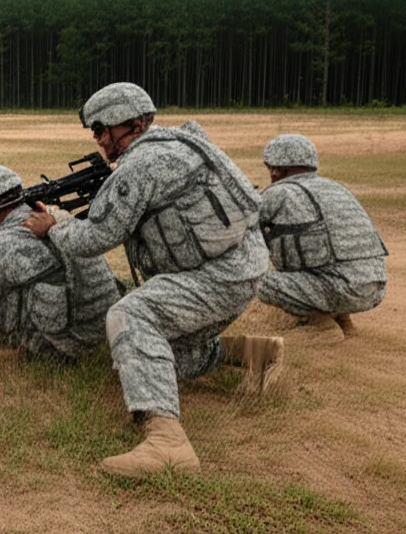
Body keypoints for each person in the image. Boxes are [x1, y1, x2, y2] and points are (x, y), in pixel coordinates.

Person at [22, 82, 281, 478]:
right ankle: (251, 354)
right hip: (243, 262)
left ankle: (167, 443)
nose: (98, 141)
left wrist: (54, 224)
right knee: (144, 355)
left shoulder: (142, 165)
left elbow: (94, 239)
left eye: (100, 130)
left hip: (216, 275)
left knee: (132, 317)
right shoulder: (187, 140)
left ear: (127, 124)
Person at [0, 166, 122, 361]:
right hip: (105, 333)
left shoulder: (2, 246)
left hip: (64, 349)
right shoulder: (56, 218)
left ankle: (23, 354)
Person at [257, 134, 387, 337]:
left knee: (256, 281)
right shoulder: (336, 188)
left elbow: (239, 226)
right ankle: (344, 321)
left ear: (276, 169)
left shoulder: (278, 193)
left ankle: (321, 325)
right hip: (376, 288)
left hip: (338, 289)